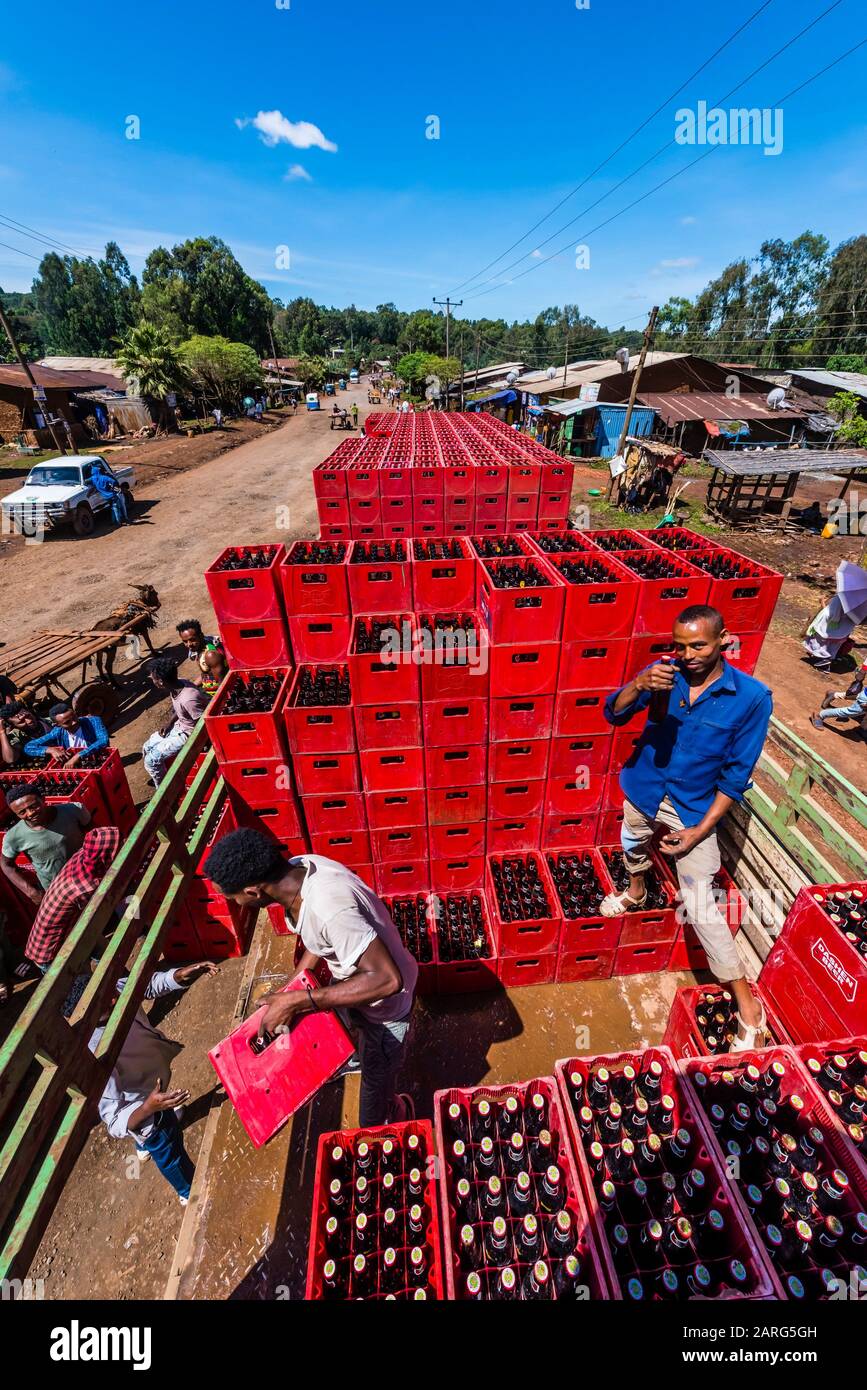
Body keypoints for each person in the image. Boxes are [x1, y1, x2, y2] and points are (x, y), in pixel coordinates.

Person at [603, 604, 773, 1049]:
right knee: (633, 840)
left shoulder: (752, 698)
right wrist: (637, 685)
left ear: (723, 640)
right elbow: (614, 714)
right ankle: (636, 891)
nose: (688, 654)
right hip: (644, 787)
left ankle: (746, 1001)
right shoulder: (663, 673)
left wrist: (699, 832)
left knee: (700, 902)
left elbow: (736, 777)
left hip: (694, 808)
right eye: (679, 645)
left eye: (698, 645)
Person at [203, 831, 417, 1126]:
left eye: (234, 898)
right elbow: (320, 942)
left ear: (253, 892)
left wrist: (299, 1001)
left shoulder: (328, 908)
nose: (236, 904)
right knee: (338, 1030)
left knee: (376, 1081)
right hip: (352, 981)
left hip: (384, 1007)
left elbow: (386, 979)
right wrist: (288, 993)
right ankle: (350, 1058)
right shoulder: (301, 871)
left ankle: (377, 1129)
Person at [93, 961, 217, 1205]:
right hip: (143, 1109)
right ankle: (186, 1190)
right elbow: (115, 1120)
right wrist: (148, 1108)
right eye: (105, 1001)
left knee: (159, 1128)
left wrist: (178, 975)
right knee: (169, 1150)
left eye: (113, 993)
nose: (116, 998)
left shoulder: (116, 991)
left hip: (151, 1088)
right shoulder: (95, 1056)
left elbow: (145, 986)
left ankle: (142, 1142)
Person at [25, 826, 120, 972]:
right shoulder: (85, 886)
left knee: (106, 954)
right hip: (52, 952)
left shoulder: (85, 855)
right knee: (79, 986)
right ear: (105, 855)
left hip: (66, 932)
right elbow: (97, 915)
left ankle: (122, 980)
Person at [1, 785, 92, 903]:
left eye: (33, 806)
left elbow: (93, 833)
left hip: (89, 873)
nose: (30, 813)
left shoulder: (73, 810)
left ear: (43, 799)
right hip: (57, 889)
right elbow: (6, 865)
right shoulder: (13, 837)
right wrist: (31, 892)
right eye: (22, 812)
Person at [142, 657, 210, 787]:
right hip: (179, 727)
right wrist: (170, 723)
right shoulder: (178, 684)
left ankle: (163, 791)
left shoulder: (188, 699)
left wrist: (201, 745)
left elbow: (202, 724)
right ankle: (160, 775)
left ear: (161, 682)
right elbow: (180, 711)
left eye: (154, 678)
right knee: (146, 747)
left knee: (151, 760)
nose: (152, 680)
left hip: (188, 734)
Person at [23, 701, 109, 765]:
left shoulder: (93, 721)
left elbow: (103, 740)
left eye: (74, 717)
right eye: (67, 722)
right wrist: (50, 750)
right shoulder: (57, 732)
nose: (74, 722)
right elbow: (28, 747)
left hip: (99, 760)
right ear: (57, 725)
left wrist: (78, 755)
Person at [176, 620, 225, 692]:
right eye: (185, 641)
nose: (189, 644)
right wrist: (190, 687)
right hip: (207, 688)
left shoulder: (210, 655)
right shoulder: (200, 649)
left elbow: (223, 686)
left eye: (192, 640)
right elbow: (206, 673)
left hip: (213, 694)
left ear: (201, 636)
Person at [0, 701, 50, 766]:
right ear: (13, 726)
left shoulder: (48, 722)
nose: (29, 721)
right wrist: (2, 732)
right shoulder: (16, 736)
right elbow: (10, 759)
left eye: (28, 716)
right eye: (22, 721)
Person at [91, 463, 129, 527]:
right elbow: (114, 482)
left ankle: (113, 521)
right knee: (116, 507)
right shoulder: (104, 477)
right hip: (112, 495)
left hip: (105, 497)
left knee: (112, 508)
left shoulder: (94, 479)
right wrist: (113, 487)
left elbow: (91, 482)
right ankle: (118, 521)